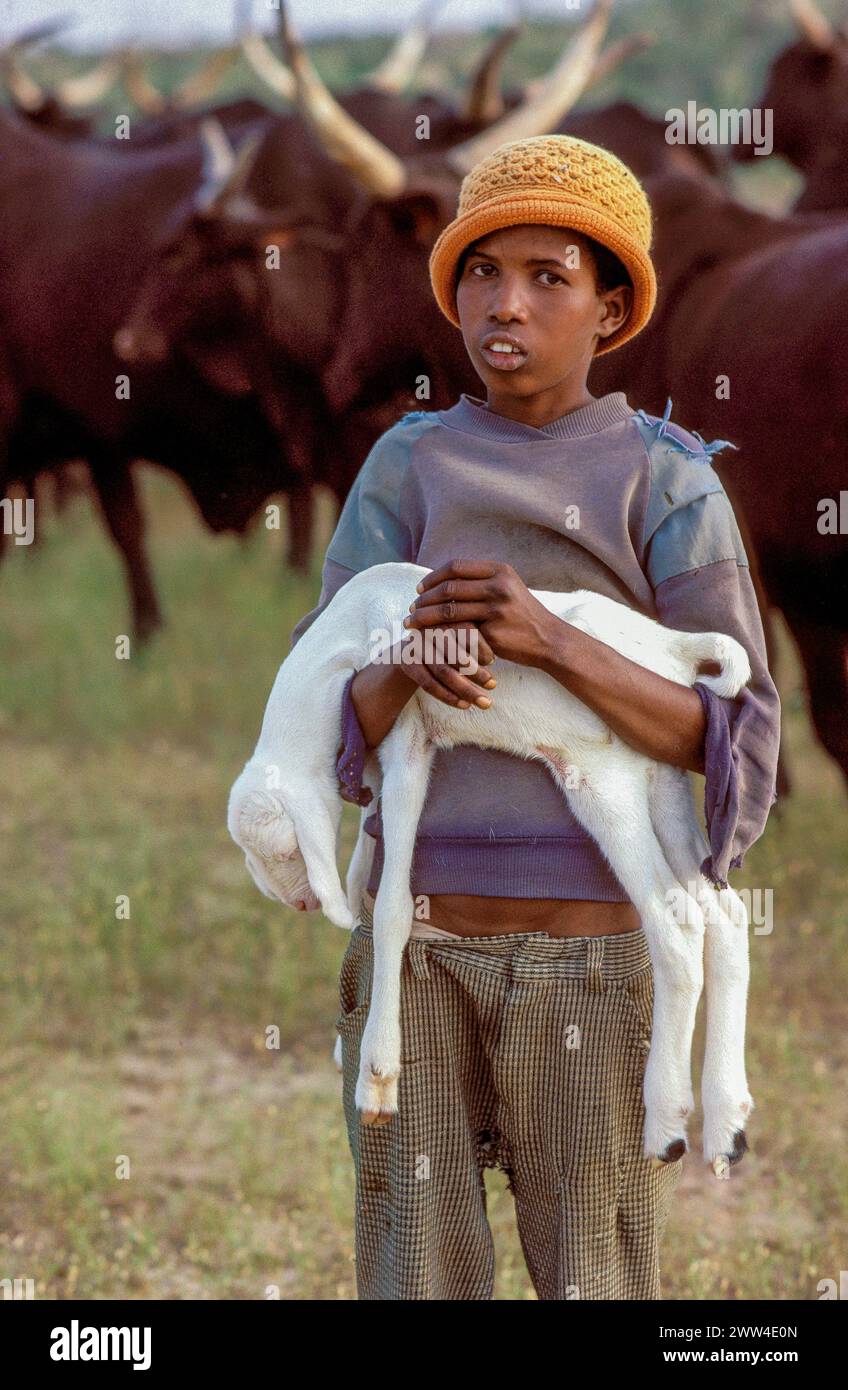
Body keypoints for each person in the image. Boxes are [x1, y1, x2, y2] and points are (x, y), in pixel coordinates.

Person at [289, 134, 781, 1300]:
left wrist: (550, 639)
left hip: (591, 963)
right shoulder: (406, 468)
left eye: (548, 277)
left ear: (610, 310)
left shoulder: (662, 480)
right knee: (413, 1275)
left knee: (592, 1277)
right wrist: (408, 658)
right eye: (481, 272)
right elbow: (323, 724)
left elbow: (735, 744)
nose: (504, 303)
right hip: (417, 957)